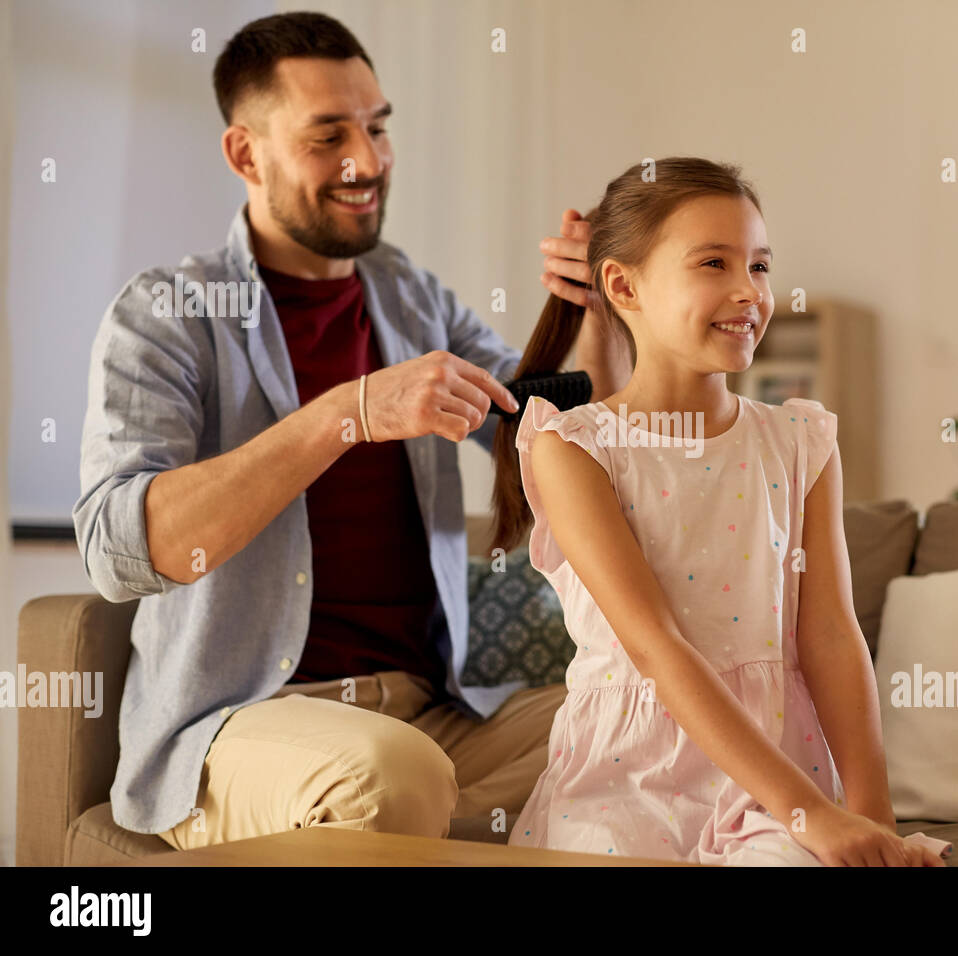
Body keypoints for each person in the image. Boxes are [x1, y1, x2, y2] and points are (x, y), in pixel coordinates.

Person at [72, 11, 623, 849]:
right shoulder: (167, 313)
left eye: (376, 127)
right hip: (245, 727)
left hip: (434, 717)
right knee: (389, 778)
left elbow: (547, 436)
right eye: (328, 136)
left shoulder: (409, 294)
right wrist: (346, 413)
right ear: (245, 154)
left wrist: (601, 319)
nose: (366, 162)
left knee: (650, 720)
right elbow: (117, 550)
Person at [494, 157, 953, 866]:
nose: (749, 292)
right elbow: (655, 645)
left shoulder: (801, 441)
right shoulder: (572, 447)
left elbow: (830, 634)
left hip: (776, 781)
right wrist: (813, 812)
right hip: (626, 780)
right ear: (622, 285)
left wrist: (867, 816)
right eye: (714, 263)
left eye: (761, 266)